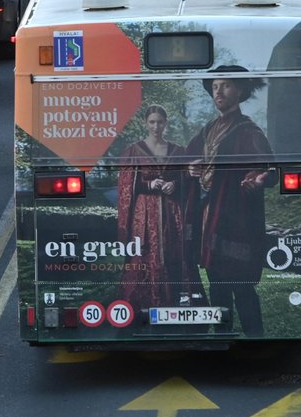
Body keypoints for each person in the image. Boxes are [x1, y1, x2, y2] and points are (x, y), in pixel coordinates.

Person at [185, 67, 274, 336]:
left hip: (237, 221)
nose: (218, 92)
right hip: (209, 217)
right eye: (214, 86)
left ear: (240, 91)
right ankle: (223, 334)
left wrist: (258, 179)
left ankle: (254, 336)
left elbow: (270, 170)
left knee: (241, 283)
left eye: (225, 86)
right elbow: (187, 158)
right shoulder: (208, 129)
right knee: (216, 280)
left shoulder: (249, 130)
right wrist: (191, 168)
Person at [115, 104, 192, 312]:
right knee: (145, 251)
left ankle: (175, 299)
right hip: (144, 212)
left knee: (172, 250)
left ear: (165, 123)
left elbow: (187, 178)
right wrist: (149, 185)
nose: (156, 126)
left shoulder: (178, 151)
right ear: (145, 123)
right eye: (152, 122)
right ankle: (142, 301)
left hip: (171, 211)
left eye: (159, 122)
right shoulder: (133, 150)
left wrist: (174, 184)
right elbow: (125, 184)